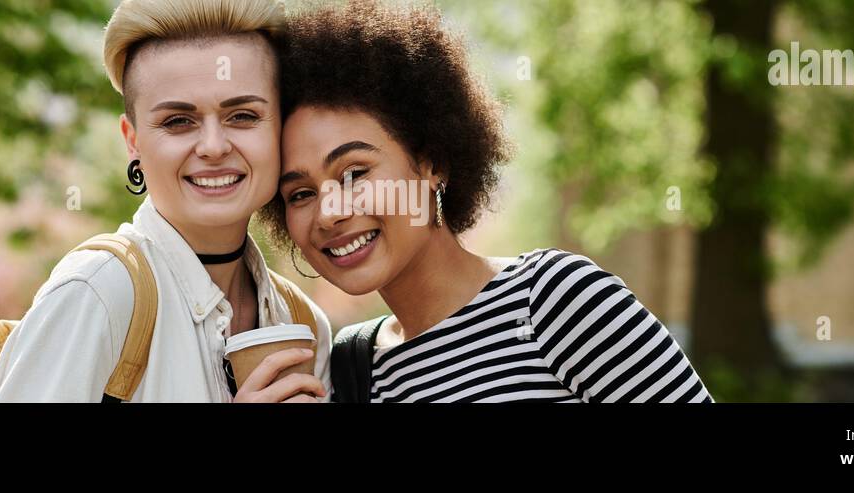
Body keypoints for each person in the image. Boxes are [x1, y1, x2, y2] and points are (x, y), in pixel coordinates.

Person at [262, 0, 709, 403]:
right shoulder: (350, 370)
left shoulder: (555, 301)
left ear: (431, 162)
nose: (329, 212)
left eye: (355, 173)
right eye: (300, 194)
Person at [0, 0, 330, 403]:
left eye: (242, 115)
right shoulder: (96, 294)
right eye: (178, 121)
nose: (213, 146)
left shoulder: (304, 323)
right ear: (133, 142)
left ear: (281, 126)